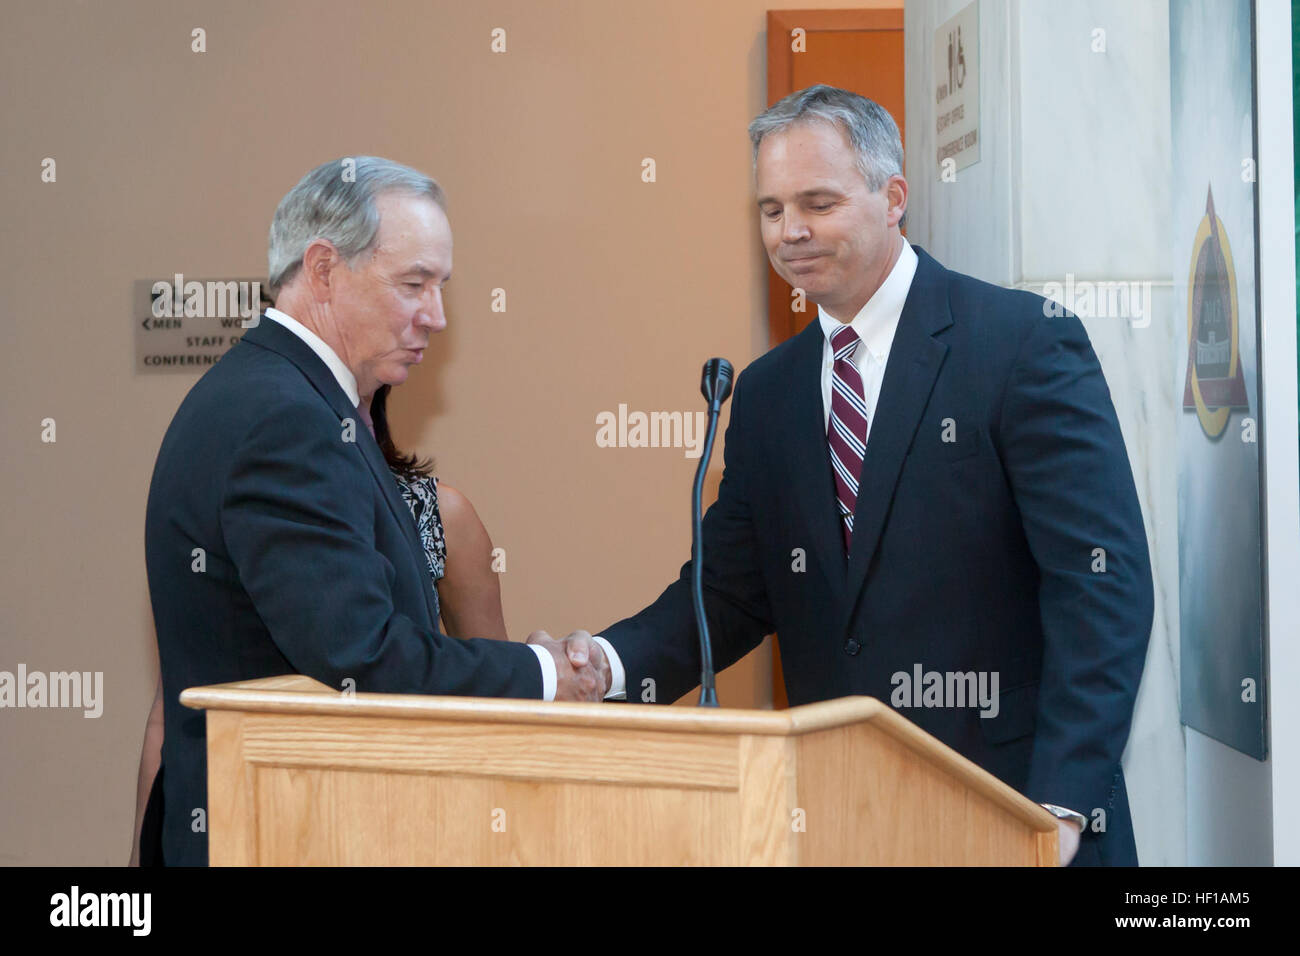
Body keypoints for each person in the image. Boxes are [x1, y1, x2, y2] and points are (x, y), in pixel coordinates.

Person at [581, 85, 1154, 866]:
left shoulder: (1019, 344)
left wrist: (1059, 808)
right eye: (772, 209)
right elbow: (726, 595)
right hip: (843, 822)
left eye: (818, 202)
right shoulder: (768, 392)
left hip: (1013, 813)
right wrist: (603, 665)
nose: (792, 232)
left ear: (894, 198)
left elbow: (1102, 584)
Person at [142, 157, 606, 866]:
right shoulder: (284, 417)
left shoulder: (279, 395)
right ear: (324, 269)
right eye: (413, 284)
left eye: (441, 287)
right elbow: (360, 656)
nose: (437, 315)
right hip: (280, 833)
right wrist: (543, 675)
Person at [130, 382, 504, 864]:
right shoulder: (253, 509)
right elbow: (170, 709)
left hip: (397, 819)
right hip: (254, 815)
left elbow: (495, 704)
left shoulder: (441, 516)